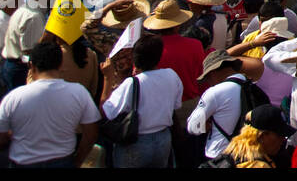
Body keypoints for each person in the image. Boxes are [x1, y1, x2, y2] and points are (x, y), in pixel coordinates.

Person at [0, 40, 100, 168]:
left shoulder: (13, 98)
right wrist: (78, 159)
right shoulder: (79, 93)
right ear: (60, 64)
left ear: (31, 65)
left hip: (23, 161)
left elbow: (1, 138)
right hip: (63, 161)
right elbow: (92, 133)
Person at [98, 33, 183, 168]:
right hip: (163, 139)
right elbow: (176, 105)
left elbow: (106, 111)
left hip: (137, 143)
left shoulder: (132, 83)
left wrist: (108, 78)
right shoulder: (171, 75)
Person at [186, 51, 265, 161]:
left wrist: (206, 126)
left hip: (220, 156)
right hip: (249, 155)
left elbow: (193, 127)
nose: (209, 83)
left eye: (208, 78)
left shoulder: (215, 92)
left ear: (213, 72)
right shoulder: (255, 88)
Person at [221, 105, 295, 168]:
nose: (283, 140)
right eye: (279, 135)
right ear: (262, 136)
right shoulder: (259, 165)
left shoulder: (233, 152)